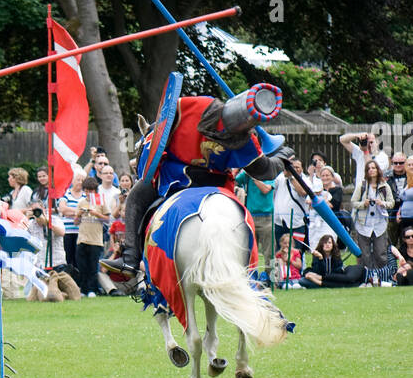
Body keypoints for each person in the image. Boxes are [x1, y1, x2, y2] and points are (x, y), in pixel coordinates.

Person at [111, 90, 290, 287]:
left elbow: (161, 130)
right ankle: (247, 275)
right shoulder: (244, 140)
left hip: (176, 181)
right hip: (217, 187)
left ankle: (129, 260)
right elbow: (266, 170)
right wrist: (282, 156)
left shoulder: (188, 107)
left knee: (136, 195)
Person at [350, 159, 394, 283]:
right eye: (369, 168)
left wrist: (382, 203)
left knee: (380, 252)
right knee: (365, 254)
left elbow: (391, 202)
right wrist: (364, 204)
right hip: (364, 223)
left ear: (378, 170)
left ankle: (382, 277)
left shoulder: (385, 186)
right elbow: (353, 202)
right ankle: (366, 278)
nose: (371, 170)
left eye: (373, 168)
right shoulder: (362, 185)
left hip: (379, 223)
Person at [235, 166, 276, 281]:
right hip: (250, 216)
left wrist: (254, 177)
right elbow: (234, 181)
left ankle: (272, 280)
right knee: (249, 250)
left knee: (269, 252)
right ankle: (249, 278)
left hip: (267, 217)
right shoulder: (246, 174)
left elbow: (266, 189)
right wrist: (239, 170)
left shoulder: (269, 172)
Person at [299, 234, 365, 288]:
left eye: (329, 243)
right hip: (324, 278)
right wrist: (321, 258)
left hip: (333, 279)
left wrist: (319, 277)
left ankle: (322, 284)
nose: (327, 244)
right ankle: (326, 285)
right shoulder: (317, 256)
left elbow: (337, 273)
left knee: (341, 281)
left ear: (333, 245)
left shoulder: (336, 256)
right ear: (321, 244)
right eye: (325, 243)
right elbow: (318, 271)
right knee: (302, 281)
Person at [385, 151, 409, 246]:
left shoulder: (411, 175)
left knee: (407, 243)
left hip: (407, 213)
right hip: (390, 214)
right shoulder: (385, 177)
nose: (398, 165)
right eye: (395, 163)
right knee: (390, 245)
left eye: (401, 163)